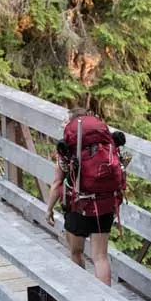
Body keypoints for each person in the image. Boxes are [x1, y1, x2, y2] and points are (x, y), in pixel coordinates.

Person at [43, 104, 127, 286]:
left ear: (72, 123)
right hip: (104, 204)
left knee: (75, 252)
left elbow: (58, 183)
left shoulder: (67, 150)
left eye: (65, 122)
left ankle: (84, 295)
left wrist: (49, 209)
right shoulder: (106, 145)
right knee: (100, 257)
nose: (63, 126)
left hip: (78, 205)